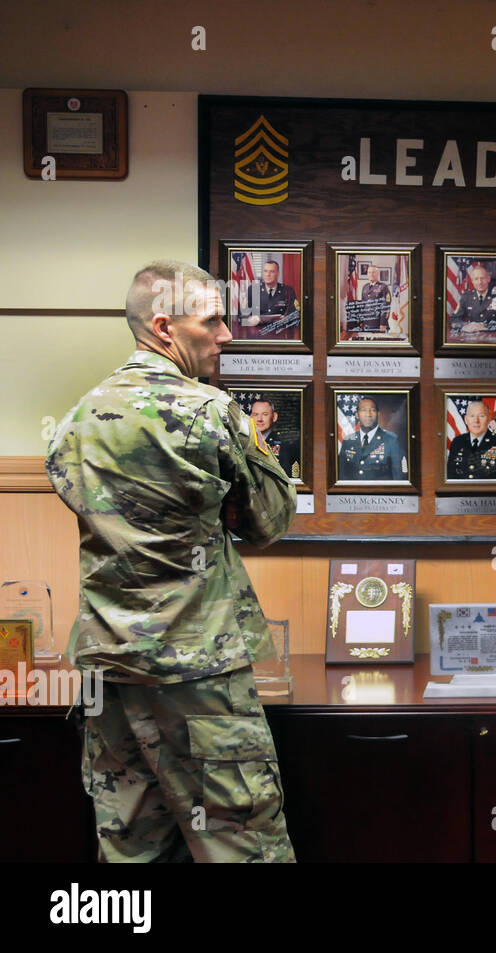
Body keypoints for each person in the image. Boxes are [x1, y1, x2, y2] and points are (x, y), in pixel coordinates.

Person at [45, 259, 297, 862]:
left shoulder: (74, 422)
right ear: (165, 327)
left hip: (110, 671)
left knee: (133, 846)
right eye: (213, 321)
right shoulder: (210, 412)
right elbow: (268, 521)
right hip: (199, 673)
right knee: (243, 841)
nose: (227, 334)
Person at [337, 397, 406, 481]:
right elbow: (341, 476)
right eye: (363, 410)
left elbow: (399, 477)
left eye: (372, 410)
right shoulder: (348, 441)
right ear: (357, 415)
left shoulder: (391, 440)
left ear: (378, 414)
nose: (368, 414)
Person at [446, 399, 496, 479]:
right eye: (472, 416)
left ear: (489, 419)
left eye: (481, 416)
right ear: (466, 420)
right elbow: (450, 475)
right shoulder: (457, 442)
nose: (476, 421)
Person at [450, 263, 496, 339]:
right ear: (472, 281)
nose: (480, 282)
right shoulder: (466, 297)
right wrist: (465, 326)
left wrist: (486, 327)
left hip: (493, 337)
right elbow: (453, 320)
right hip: (471, 337)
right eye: (476, 279)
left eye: (482, 278)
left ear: (488, 279)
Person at [239, 259, 297, 335]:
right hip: (256, 334)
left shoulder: (287, 290)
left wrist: (285, 319)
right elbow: (241, 315)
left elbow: (295, 315)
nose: (268, 274)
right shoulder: (253, 289)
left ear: (278, 273)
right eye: (265, 271)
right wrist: (250, 319)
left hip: (280, 333)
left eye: (272, 271)